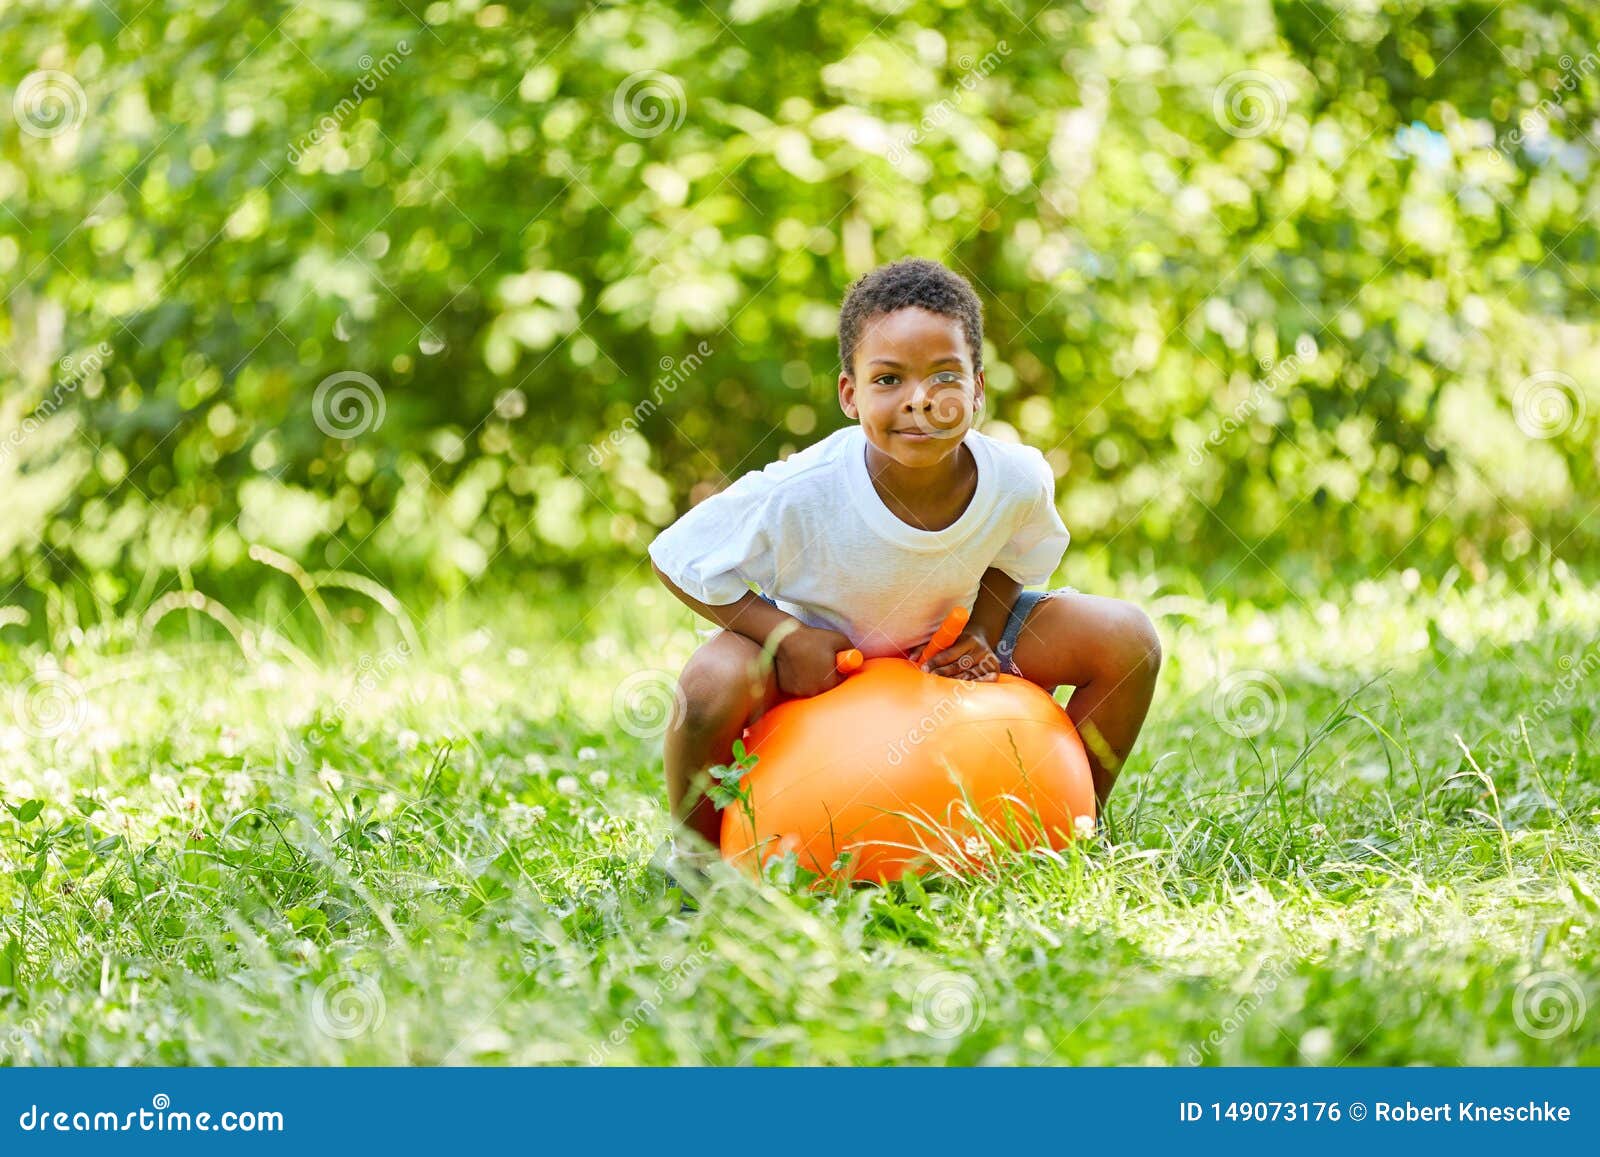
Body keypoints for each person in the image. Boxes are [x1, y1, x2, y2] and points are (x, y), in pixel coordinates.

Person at [648, 257, 1162, 875]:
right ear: (849, 393)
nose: (919, 402)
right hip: (824, 657)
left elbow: (1016, 556)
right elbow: (676, 557)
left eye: (944, 377)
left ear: (977, 389)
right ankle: (696, 861)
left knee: (1127, 638)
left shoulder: (1016, 478)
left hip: (946, 646)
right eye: (888, 380)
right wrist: (785, 637)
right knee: (708, 683)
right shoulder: (803, 490)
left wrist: (984, 627)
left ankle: (1072, 825)